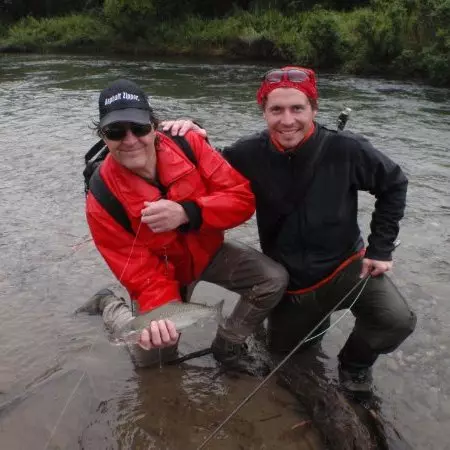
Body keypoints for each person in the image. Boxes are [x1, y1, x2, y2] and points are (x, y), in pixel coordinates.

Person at [163, 66, 417, 395]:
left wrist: (381, 248)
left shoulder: (347, 149)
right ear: (263, 112)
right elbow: (205, 173)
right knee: (289, 357)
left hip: (346, 268)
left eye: (297, 109)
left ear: (314, 108)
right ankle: (310, 325)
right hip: (291, 284)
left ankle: (354, 365)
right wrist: (193, 133)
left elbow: (394, 184)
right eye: (276, 110)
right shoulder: (246, 153)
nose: (287, 120)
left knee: (397, 320)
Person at [78, 79, 288, 369]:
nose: (129, 140)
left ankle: (228, 345)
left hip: (208, 253)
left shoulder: (189, 143)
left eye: (138, 128)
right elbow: (140, 272)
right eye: (115, 131)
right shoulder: (101, 198)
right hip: (161, 273)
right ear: (103, 136)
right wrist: (161, 315)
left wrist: (188, 213)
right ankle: (109, 304)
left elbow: (241, 201)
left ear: (154, 126)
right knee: (153, 361)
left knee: (272, 279)